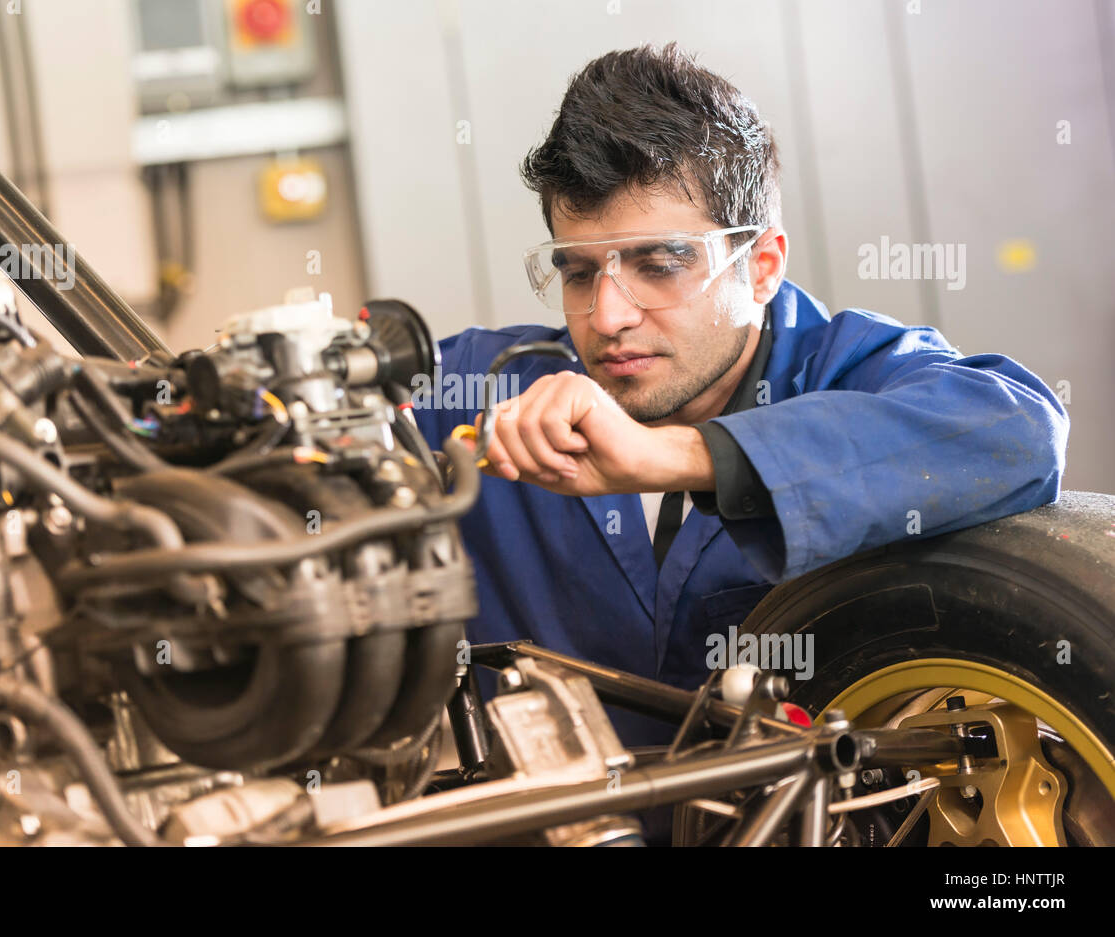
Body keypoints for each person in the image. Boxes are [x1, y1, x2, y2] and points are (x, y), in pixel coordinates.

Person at [410, 43, 1068, 748]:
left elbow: (1018, 430)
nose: (607, 317)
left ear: (761, 266)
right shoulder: (493, 389)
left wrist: (682, 457)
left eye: (658, 266)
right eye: (577, 273)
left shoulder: (842, 370)